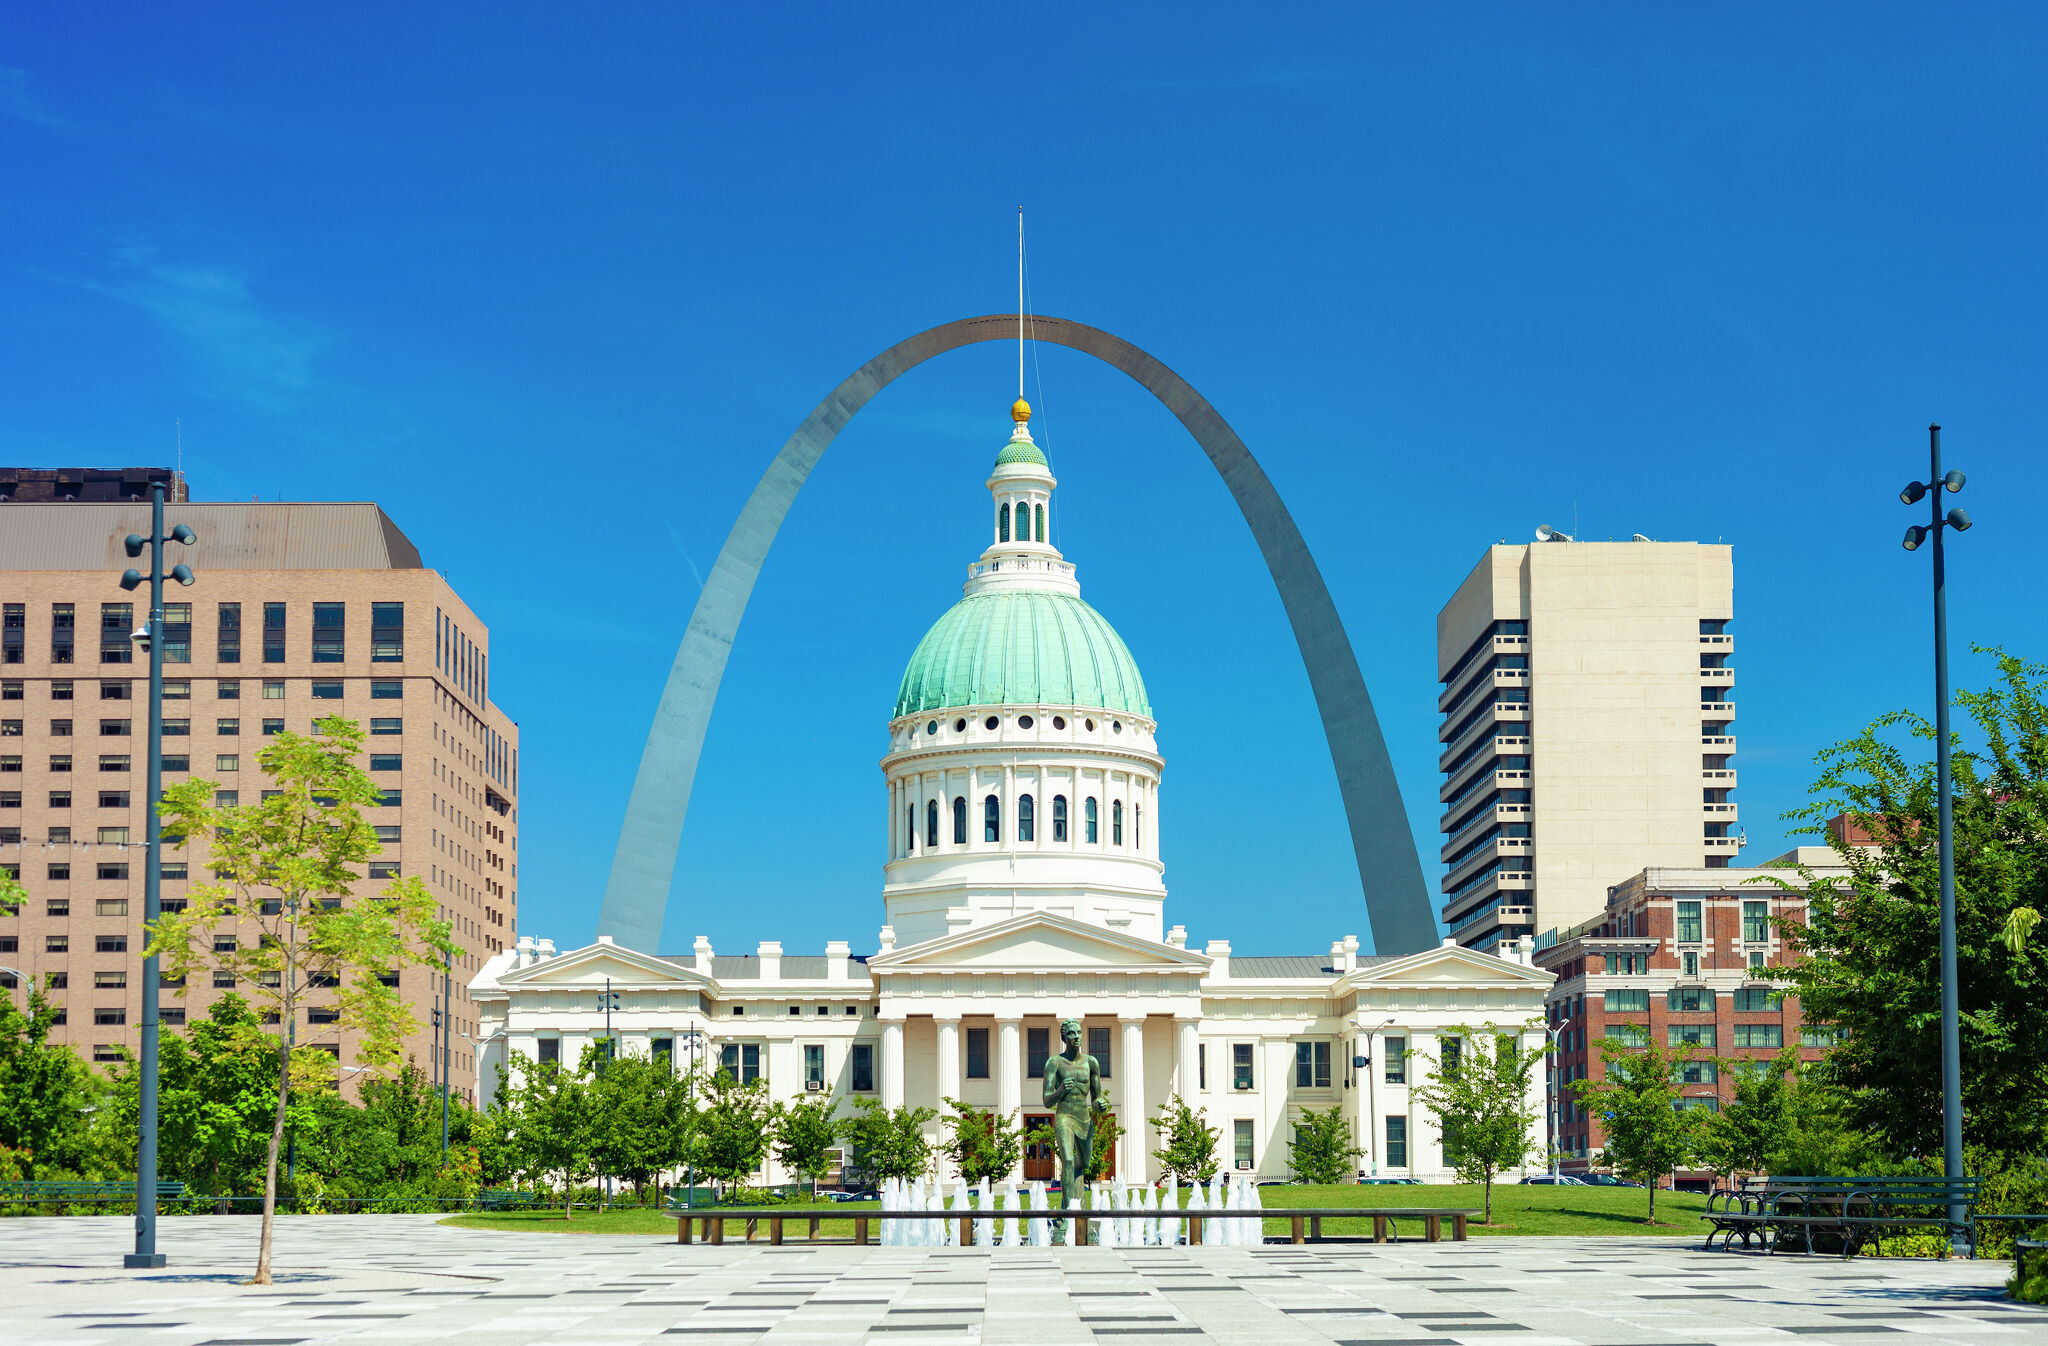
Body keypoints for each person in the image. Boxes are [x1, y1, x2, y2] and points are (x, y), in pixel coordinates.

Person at [1042, 1018, 1103, 1204]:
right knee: (1068, 1160)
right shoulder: (1055, 1063)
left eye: (1078, 1033)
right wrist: (1060, 1091)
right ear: (1064, 1037)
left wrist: (1100, 1105)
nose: (1076, 1037)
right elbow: (1046, 1100)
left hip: (1083, 1118)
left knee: (1083, 1164)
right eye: (1071, 1033)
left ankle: (1077, 1198)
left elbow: (1096, 1098)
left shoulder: (1091, 1063)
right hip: (1064, 1116)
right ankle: (1067, 1213)